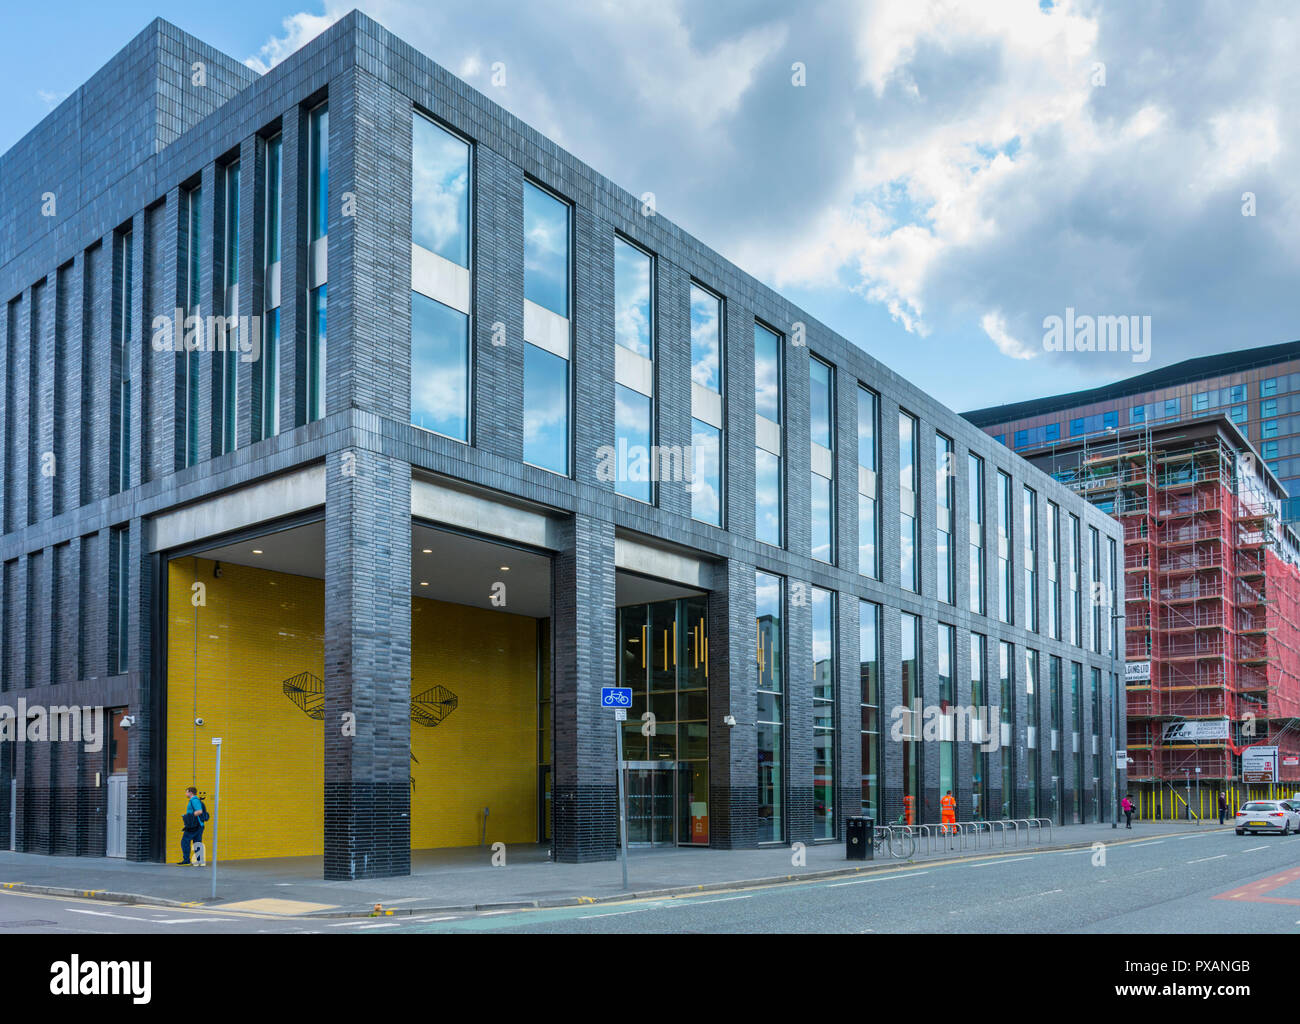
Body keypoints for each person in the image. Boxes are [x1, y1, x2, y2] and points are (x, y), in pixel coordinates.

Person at [179, 785, 207, 866]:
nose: (185, 794)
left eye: (186, 792)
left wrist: (189, 816)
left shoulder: (194, 800)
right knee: (197, 842)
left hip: (194, 825)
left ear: (190, 792)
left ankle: (186, 860)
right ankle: (200, 861)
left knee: (184, 841)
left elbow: (199, 811)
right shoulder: (196, 800)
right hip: (199, 825)